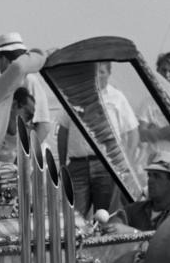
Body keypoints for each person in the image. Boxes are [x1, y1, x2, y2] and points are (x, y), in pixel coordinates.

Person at [57, 61, 138, 217]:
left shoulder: (117, 97)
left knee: (107, 218)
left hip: (107, 166)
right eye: (94, 72)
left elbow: (133, 131)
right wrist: (61, 165)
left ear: (109, 73)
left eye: (101, 72)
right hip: (77, 166)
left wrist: (126, 163)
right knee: (72, 218)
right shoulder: (73, 97)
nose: (97, 76)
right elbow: (63, 130)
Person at [102, 151, 170, 234]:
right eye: (149, 175)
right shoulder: (134, 209)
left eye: (157, 176)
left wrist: (132, 232)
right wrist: (112, 228)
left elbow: (168, 246)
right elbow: (114, 224)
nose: (150, 180)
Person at [0, 33, 51, 142]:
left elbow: (43, 125)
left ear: (4, 58)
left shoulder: (30, 81)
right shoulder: (6, 84)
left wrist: (27, 155)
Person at [0, 87, 37, 163]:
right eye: (28, 115)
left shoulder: (23, 141)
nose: (29, 122)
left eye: (32, 117)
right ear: (14, 105)